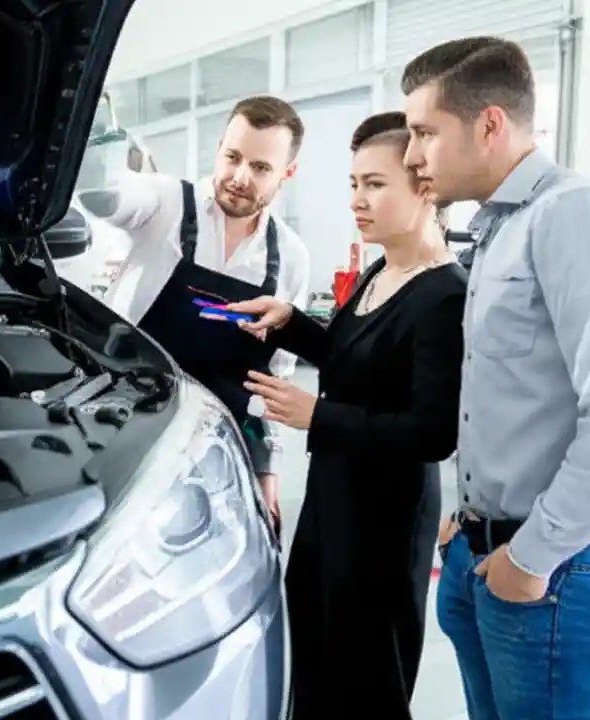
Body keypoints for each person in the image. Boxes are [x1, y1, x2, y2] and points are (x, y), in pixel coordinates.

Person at [400, 36, 590, 719]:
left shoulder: (576, 213)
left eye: (425, 133)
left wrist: (532, 555)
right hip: (486, 556)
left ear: (489, 124)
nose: (412, 157)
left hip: (559, 570)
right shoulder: (500, 230)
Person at [226, 110, 467, 718]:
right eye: (354, 184)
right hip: (335, 502)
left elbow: (432, 431)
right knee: (314, 662)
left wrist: (318, 417)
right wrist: (290, 324)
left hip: (384, 522)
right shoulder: (381, 270)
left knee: (366, 682)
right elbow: (353, 354)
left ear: (425, 186)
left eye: (376, 184)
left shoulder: (445, 295)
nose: (358, 200)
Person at [75, 95, 311, 531]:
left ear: (287, 173)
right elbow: (107, 198)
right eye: (232, 157)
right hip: (128, 432)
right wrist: (95, 148)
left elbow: (275, 378)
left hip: (219, 449)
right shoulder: (165, 202)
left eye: (260, 168)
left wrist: (267, 471)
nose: (239, 178)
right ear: (219, 146)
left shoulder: (291, 257)